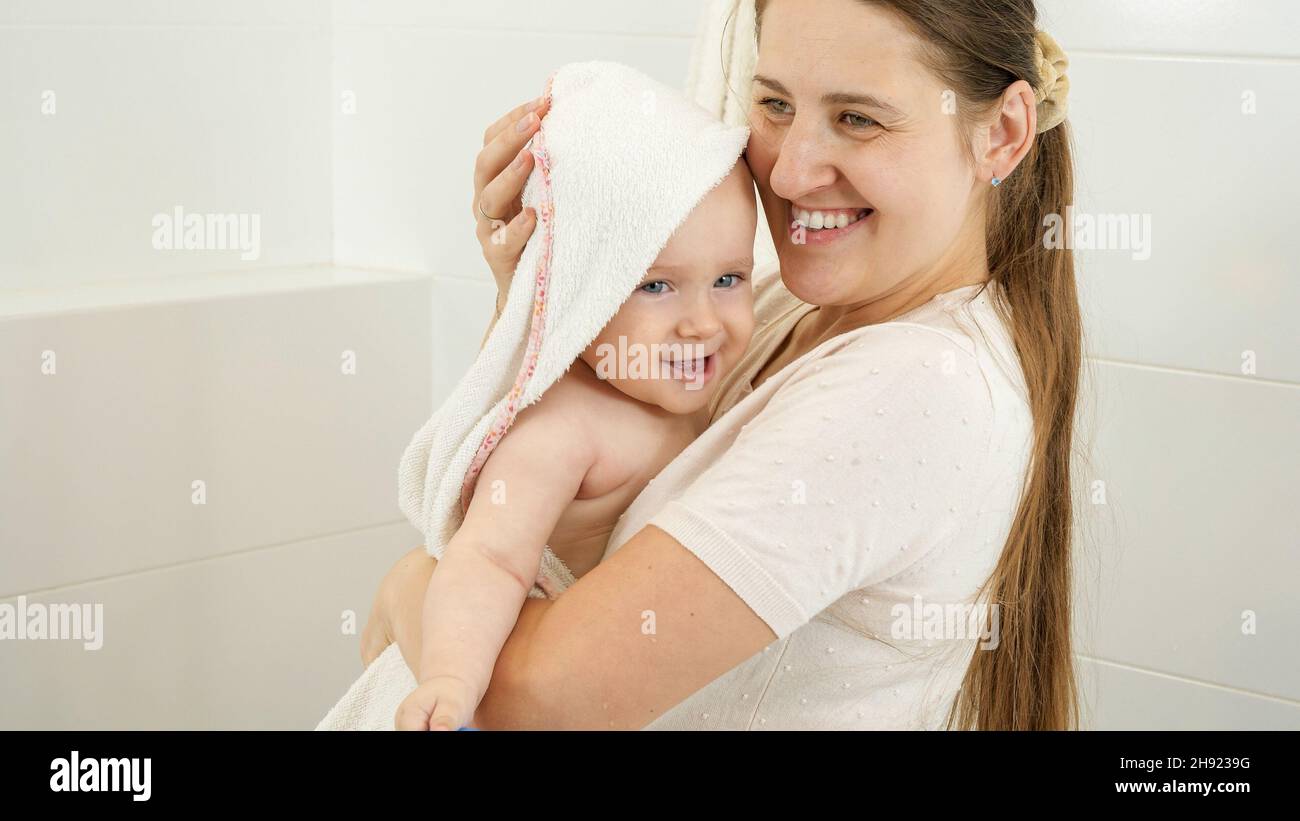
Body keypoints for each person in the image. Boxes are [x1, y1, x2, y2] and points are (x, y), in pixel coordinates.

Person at [354, 0, 1081, 730]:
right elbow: (541, 449)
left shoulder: (916, 388)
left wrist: (408, 584)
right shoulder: (768, 308)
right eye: (774, 104)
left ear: (1004, 134)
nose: (791, 173)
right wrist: (540, 299)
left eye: (858, 119)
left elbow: (542, 700)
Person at [391, 61, 759, 731]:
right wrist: (450, 675)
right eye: (656, 286)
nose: (703, 322)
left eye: (730, 278)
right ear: (578, 289)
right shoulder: (565, 425)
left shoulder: (695, 381)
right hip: (474, 691)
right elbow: (491, 557)